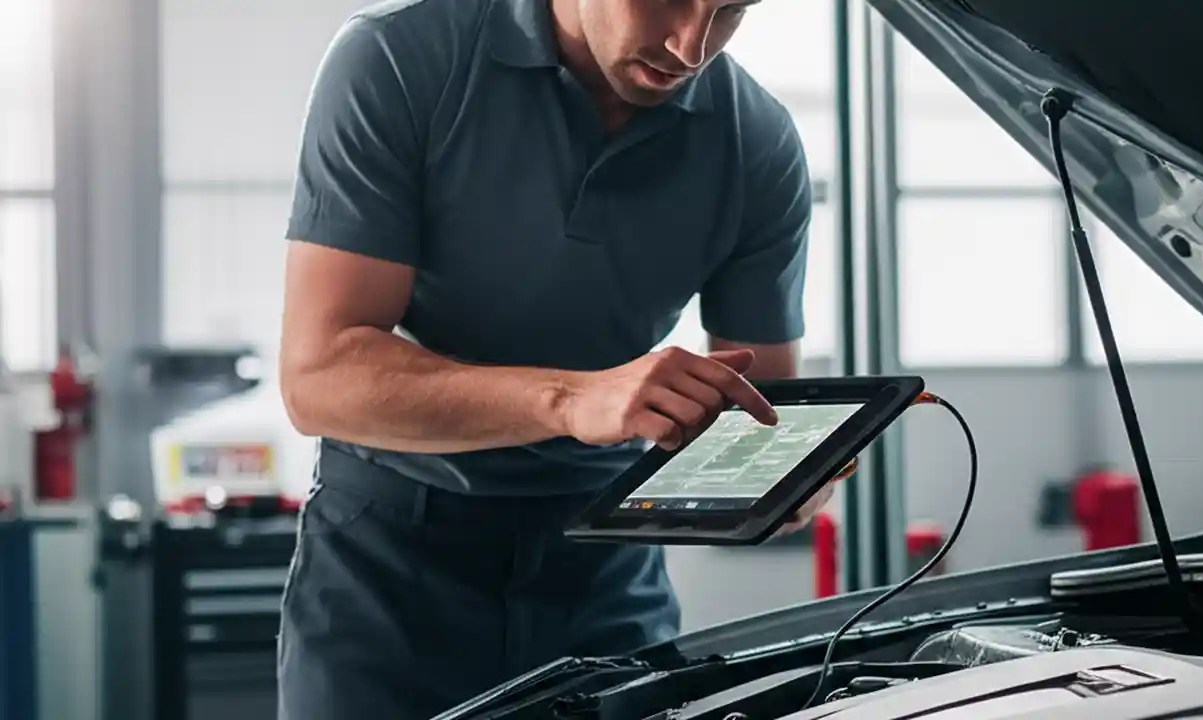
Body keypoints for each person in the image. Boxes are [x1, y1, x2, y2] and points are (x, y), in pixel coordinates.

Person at [275, 0, 839, 716]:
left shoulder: (757, 140)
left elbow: (765, 411)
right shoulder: (397, 57)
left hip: (605, 579)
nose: (692, 46)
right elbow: (318, 377)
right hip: (388, 571)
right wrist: (571, 400)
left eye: (730, 11)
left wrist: (792, 474)